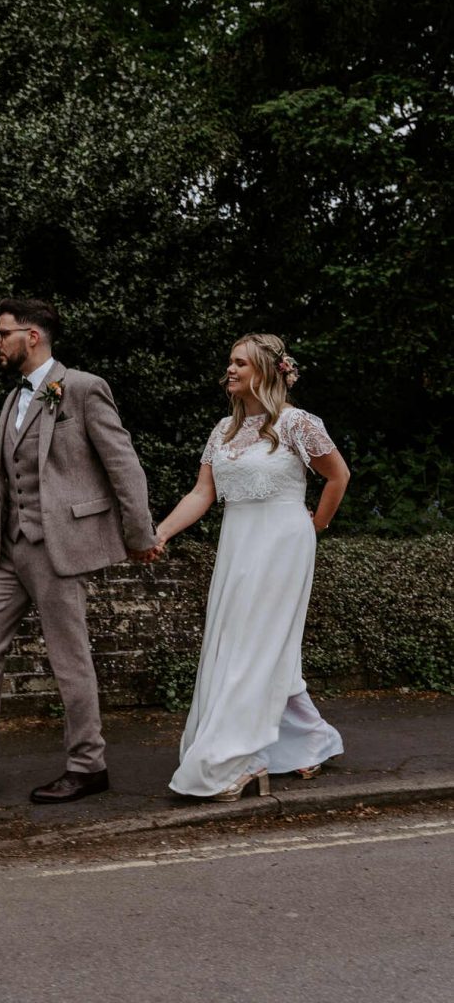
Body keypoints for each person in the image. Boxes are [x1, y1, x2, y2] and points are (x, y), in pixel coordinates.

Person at [0, 298, 156, 802]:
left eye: (3, 334)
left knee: (69, 660)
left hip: (59, 548)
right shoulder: (12, 400)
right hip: (8, 551)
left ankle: (88, 766)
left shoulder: (85, 389)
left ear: (33, 336)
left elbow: (125, 467)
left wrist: (140, 537)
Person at [150, 333, 350, 801]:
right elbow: (203, 494)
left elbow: (338, 475)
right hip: (238, 543)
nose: (231, 370)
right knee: (244, 643)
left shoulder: (297, 424)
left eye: (240, 363)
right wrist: (161, 532)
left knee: (255, 646)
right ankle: (310, 739)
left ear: (264, 370)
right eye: (230, 363)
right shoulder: (222, 431)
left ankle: (242, 758)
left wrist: (315, 525)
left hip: (283, 542)